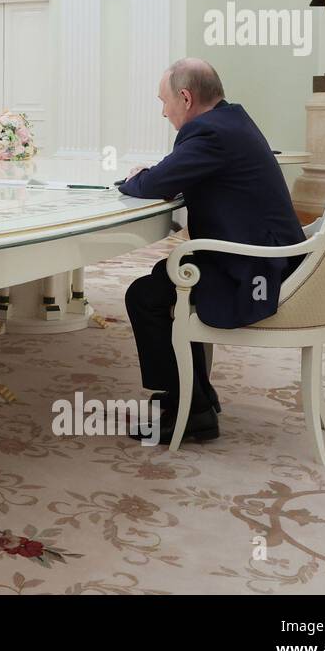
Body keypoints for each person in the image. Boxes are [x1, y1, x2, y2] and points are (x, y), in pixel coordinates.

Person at [118, 58, 305, 446]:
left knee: (145, 296)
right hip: (268, 254)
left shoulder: (209, 133)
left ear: (185, 98)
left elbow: (155, 183)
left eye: (164, 101)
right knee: (163, 279)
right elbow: (179, 174)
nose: (164, 111)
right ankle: (193, 395)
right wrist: (160, 177)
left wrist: (137, 179)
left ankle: (190, 411)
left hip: (254, 269)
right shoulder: (230, 120)